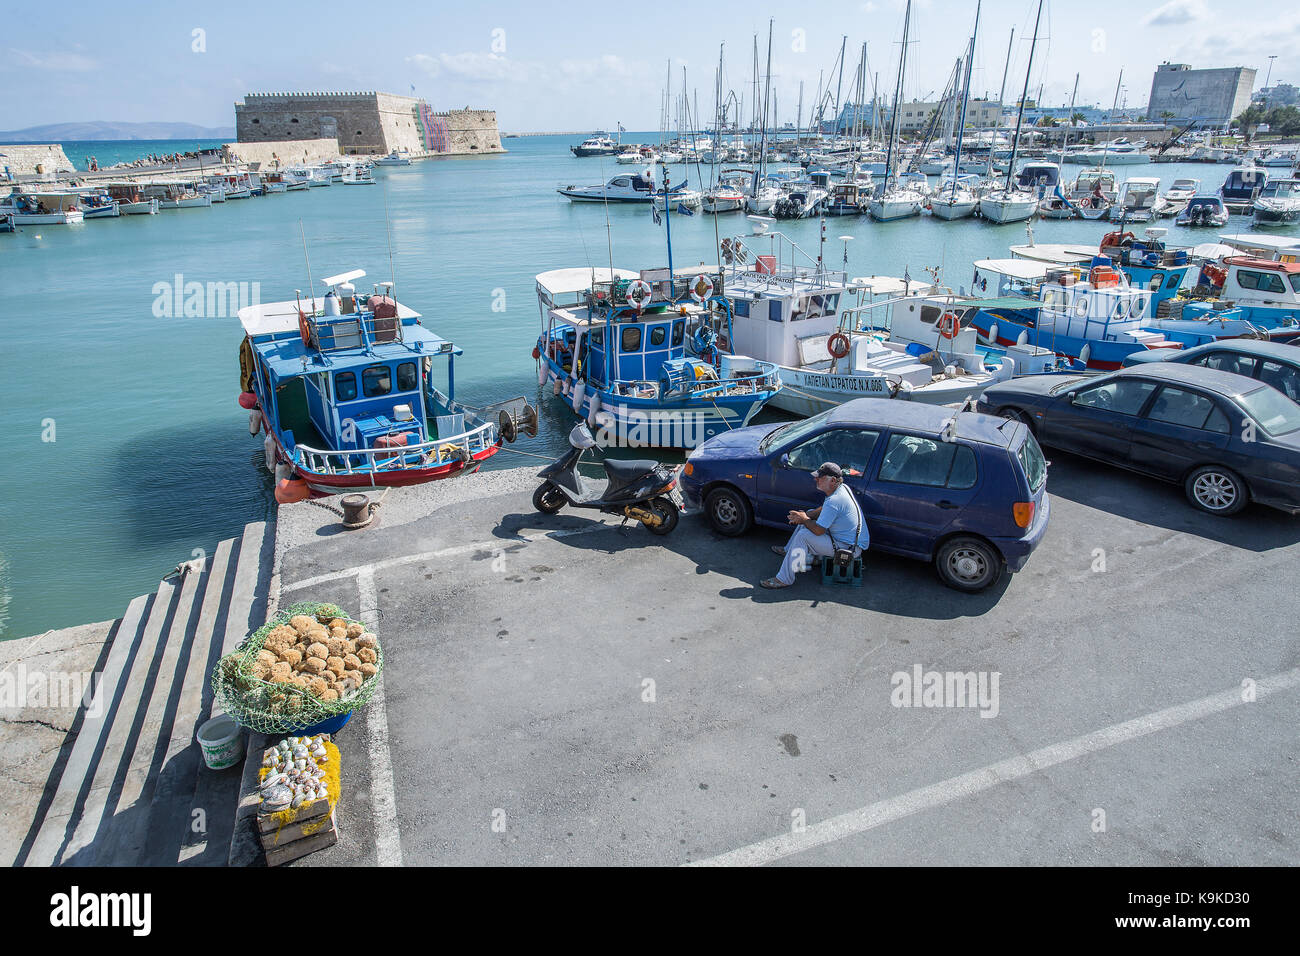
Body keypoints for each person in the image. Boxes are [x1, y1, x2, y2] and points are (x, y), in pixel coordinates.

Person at [760, 462, 868, 589]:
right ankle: (789, 551)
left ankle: (784, 579)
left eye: (820, 477)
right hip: (849, 541)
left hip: (848, 549)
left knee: (803, 535)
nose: (815, 479)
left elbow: (818, 531)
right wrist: (807, 515)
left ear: (833, 480)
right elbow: (824, 510)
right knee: (808, 517)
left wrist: (804, 519)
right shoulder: (842, 488)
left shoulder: (835, 501)